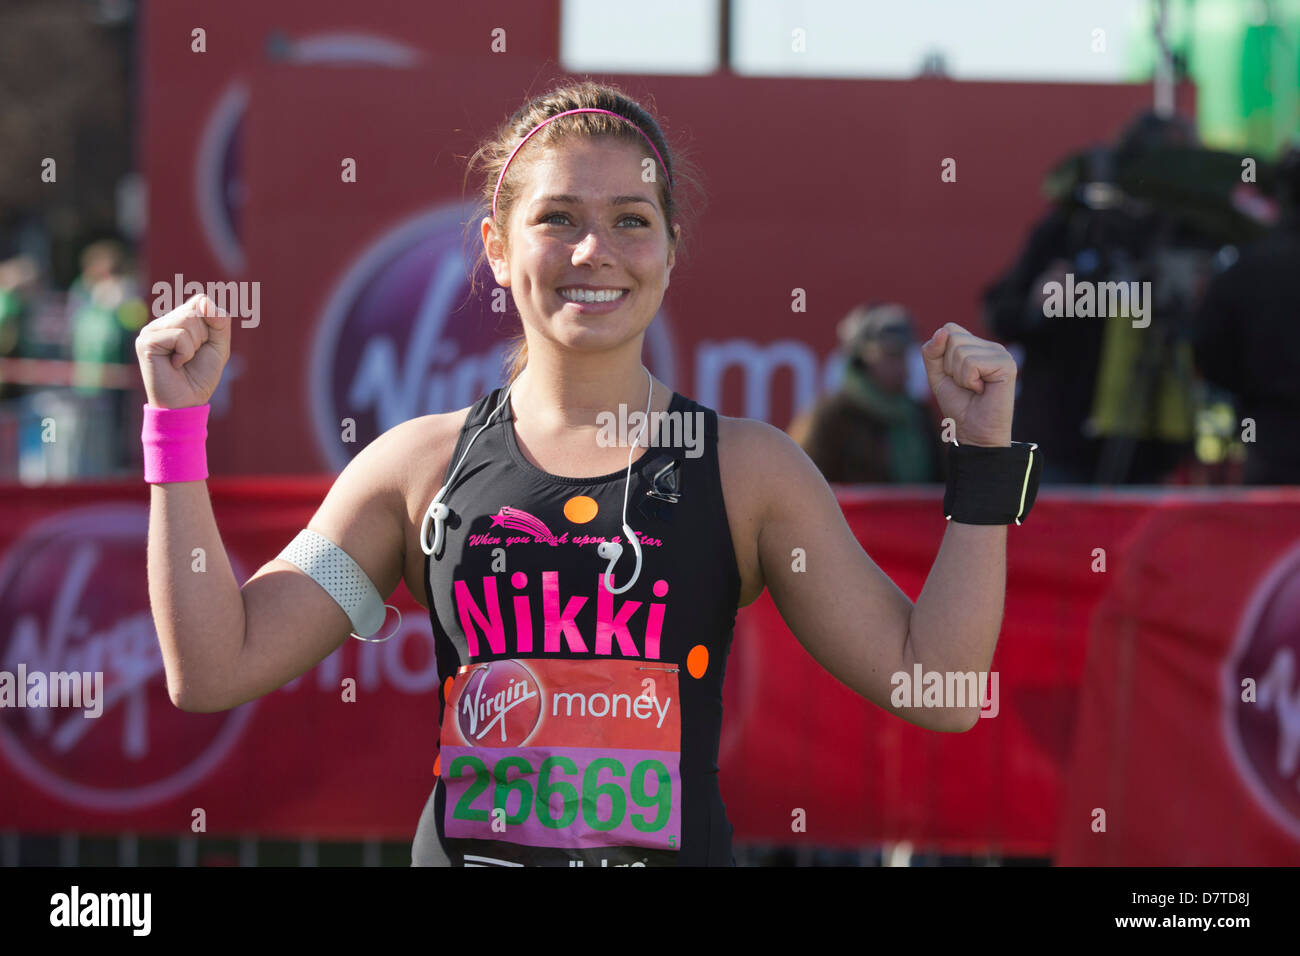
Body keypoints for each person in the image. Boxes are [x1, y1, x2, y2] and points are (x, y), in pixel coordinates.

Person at [137, 80, 1040, 867]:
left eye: (631, 222)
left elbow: (943, 689)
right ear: (496, 246)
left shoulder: (747, 470)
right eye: (558, 218)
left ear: (671, 246)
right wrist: (175, 428)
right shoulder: (418, 469)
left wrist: (986, 465)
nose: (592, 251)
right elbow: (215, 666)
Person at [1191, 146, 1300, 484]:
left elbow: (1209, 356)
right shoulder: (1249, 267)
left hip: (1268, 434)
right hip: (1268, 426)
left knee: (1268, 534)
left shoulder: (1245, 268)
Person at [789, 302, 946, 483]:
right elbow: (800, 483)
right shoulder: (831, 415)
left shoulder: (919, 415)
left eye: (903, 355)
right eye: (890, 354)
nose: (901, 366)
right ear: (861, 357)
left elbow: (943, 484)